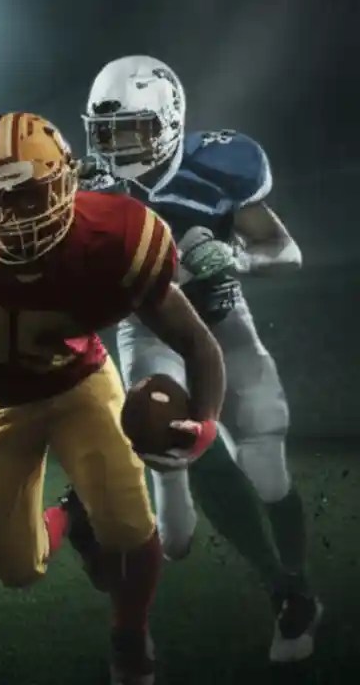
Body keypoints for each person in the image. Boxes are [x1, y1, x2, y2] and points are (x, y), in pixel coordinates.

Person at [0, 112, 226, 684]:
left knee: (133, 530)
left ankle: (130, 636)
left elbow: (197, 343)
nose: (14, 220)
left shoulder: (116, 237)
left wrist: (205, 422)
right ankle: (71, 516)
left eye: (31, 196)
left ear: (68, 182)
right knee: (15, 568)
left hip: (77, 382)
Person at [84, 55, 320, 661]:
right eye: (105, 133)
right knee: (176, 525)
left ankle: (291, 590)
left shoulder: (218, 165)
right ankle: (276, 582)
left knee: (267, 463)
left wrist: (237, 259)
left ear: (166, 121)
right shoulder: (92, 187)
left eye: (129, 131)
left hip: (220, 318)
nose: (115, 147)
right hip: (150, 330)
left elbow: (285, 251)